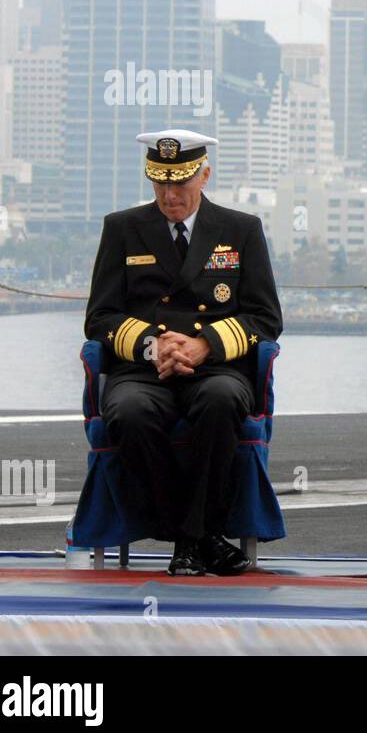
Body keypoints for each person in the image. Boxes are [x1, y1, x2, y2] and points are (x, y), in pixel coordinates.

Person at [84, 129, 283, 575]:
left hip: (215, 367)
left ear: (204, 176)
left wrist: (204, 344)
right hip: (143, 367)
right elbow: (100, 316)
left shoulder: (241, 229)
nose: (169, 195)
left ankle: (189, 538)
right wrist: (154, 347)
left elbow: (266, 317)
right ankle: (198, 538)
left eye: (180, 184)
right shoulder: (122, 228)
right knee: (129, 412)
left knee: (222, 401)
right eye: (160, 183)